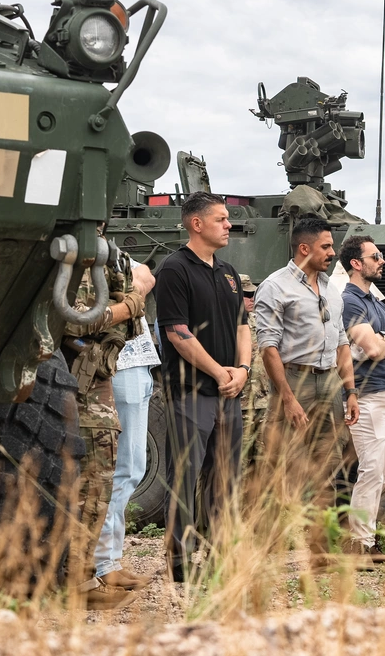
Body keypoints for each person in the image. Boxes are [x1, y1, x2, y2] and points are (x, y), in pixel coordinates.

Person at [154, 191, 251, 582]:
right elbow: (177, 332)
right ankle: (179, 562)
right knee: (186, 476)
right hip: (191, 393)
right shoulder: (174, 269)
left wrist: (242, 368)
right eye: (222, 219)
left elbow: (244, 325)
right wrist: (218, 372)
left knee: (225, 477)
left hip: (229, 393)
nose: (229, 225)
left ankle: (219, 554)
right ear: (197, 224)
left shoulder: (227, 271)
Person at [62, 241, 146, 609]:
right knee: (92, 484)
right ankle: (80, 584)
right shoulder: (76, 257)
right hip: (81, 385)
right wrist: (125, 307)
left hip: (96, 378)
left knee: (100, 481)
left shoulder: (103, 257)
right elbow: (75, 319)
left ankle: (89, 575)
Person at [255, 216, 360, 504]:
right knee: (283, 457)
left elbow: (341, 344)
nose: (332, 252)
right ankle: (276, 530)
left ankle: (319, 531)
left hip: (329, 381)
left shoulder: (332, 289)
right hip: (294, 380)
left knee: (329, 458)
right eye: (326, 246)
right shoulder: (275, 286)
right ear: (304, 248)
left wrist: (350, 391)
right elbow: (268, 347)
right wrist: (287, 398)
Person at [338, 235, 385, 554]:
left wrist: (384, 340)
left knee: (384, 472)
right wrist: (384, 342)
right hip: (366, 396)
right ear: (357, 264)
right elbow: (373, 348)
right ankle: (361, 542)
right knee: (370, 469)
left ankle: (364, 533)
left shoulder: (377, 304)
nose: (382, 261)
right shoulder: (349, 301)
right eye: (376, 256)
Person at [92, 259, 159, 592]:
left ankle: (110, 560)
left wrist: (130, 290)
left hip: (138, 363)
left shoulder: (114, 256)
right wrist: (132, 294)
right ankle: (104, 562)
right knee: (123, 468)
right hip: (122, 364)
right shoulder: (97, 257)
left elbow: (146, 275)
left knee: (131, 467)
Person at [238, 273, 272, 461]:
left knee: (264, 463)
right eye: (247, 295)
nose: (252, 299)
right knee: (238, 463)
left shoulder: (259, 321)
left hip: (263, 403)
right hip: (238, 406)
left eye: (253, 295)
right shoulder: (222, 323)